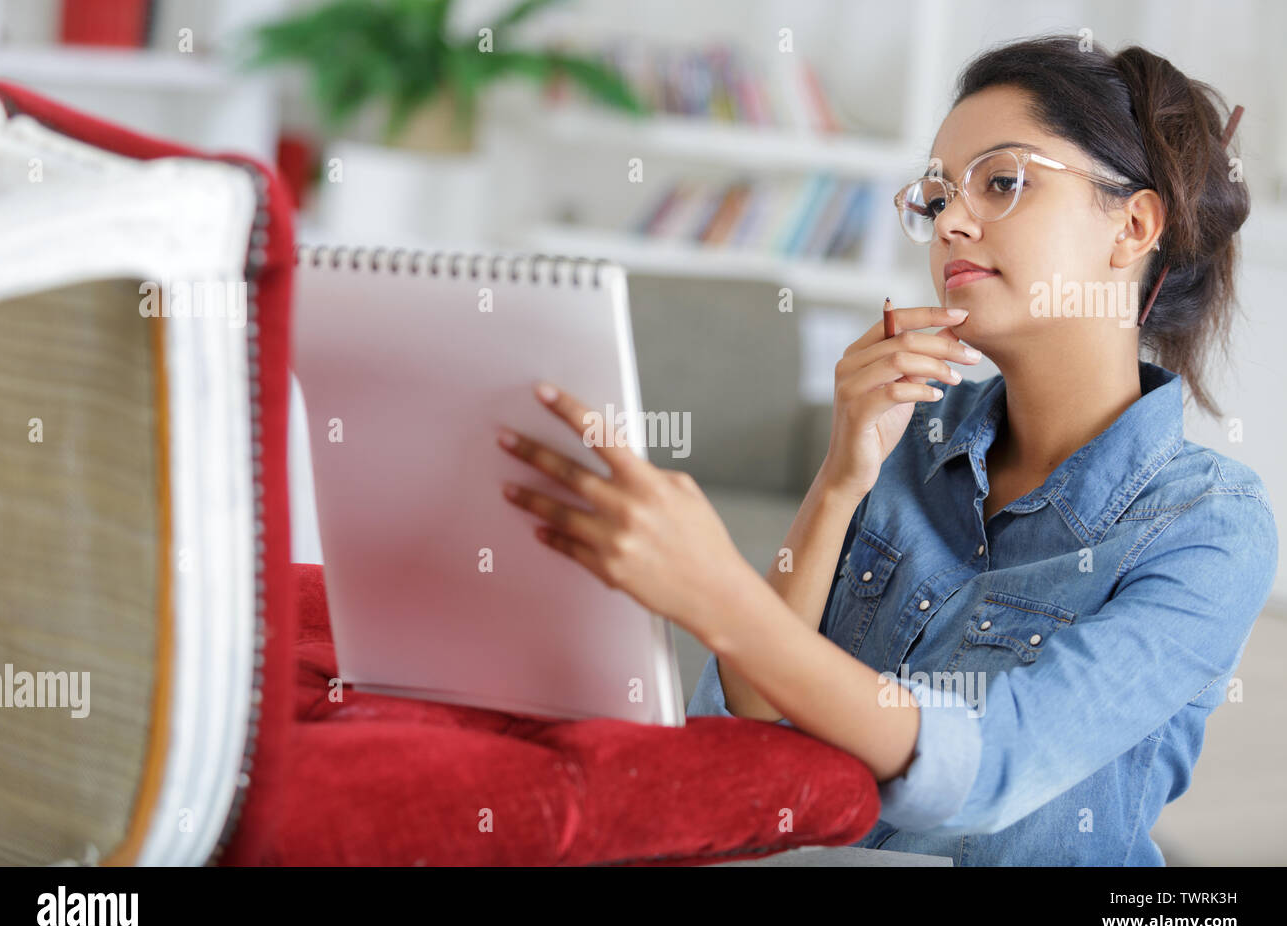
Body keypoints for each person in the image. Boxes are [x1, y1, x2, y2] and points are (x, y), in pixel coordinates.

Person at [494, 34, 1277, 865]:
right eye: (936, 198)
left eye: (1002, 182)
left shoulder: (1209, 528)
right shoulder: (910, 436)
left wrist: (718, 594)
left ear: (1133, 224)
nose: (954, 222)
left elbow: (994, 768)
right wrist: (838, 480)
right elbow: (744, 720)